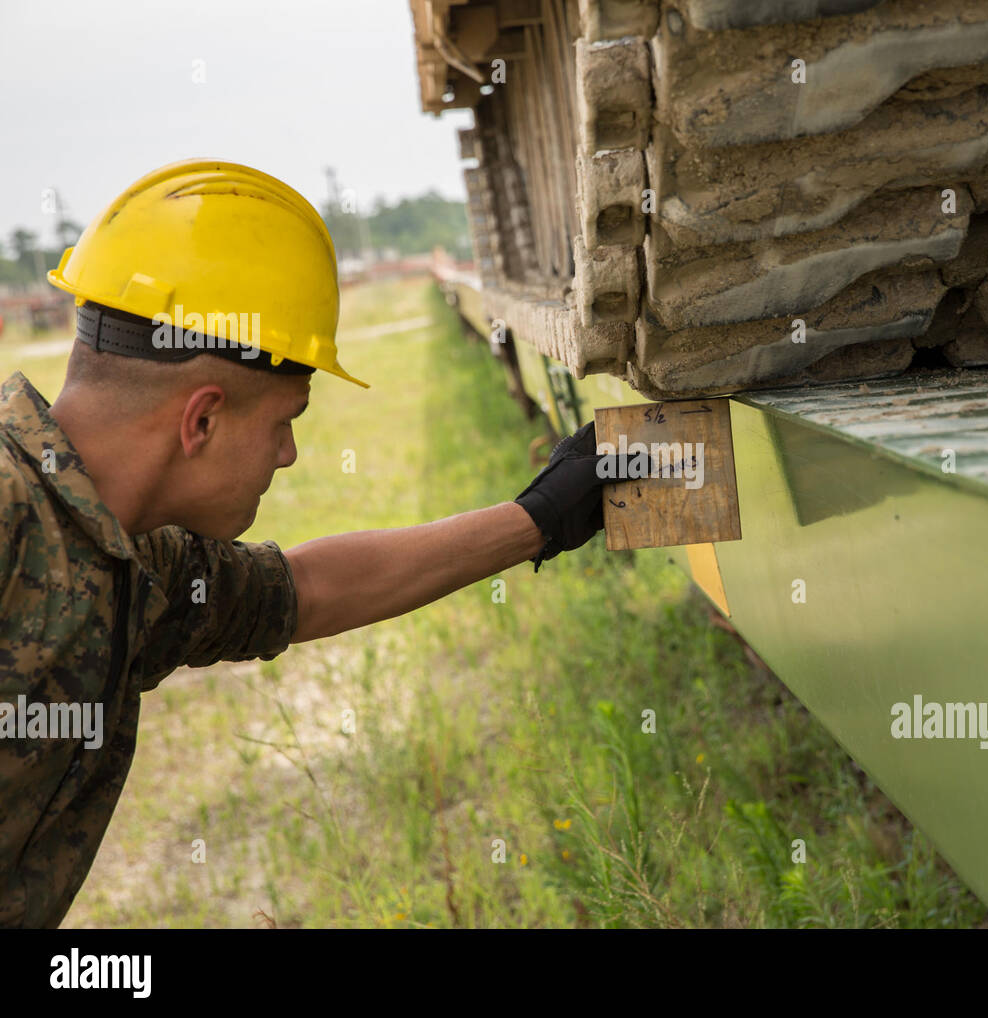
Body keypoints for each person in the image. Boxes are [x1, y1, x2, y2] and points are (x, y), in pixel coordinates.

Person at [0, 159, 609, 927]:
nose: (287, 455)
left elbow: (305, 591)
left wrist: (544, 515)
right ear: (202, 420)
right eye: (284, 422)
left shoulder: (127, 555)